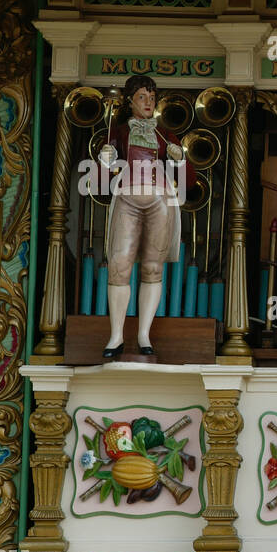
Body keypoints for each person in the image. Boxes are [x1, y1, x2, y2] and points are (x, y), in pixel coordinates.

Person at [99, 74, 194, 359]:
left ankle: (143, 335)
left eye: (152, 98)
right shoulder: (117, 133)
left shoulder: (166, 135)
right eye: (142, 97)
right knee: (119, 265)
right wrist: (105, 160)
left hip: (159, 200)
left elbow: (188, 181)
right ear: (130, 101)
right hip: (128, 197)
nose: (148, 102)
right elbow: (101, 182)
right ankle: (116, 336)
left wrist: (179, 160)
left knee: (153, 267)